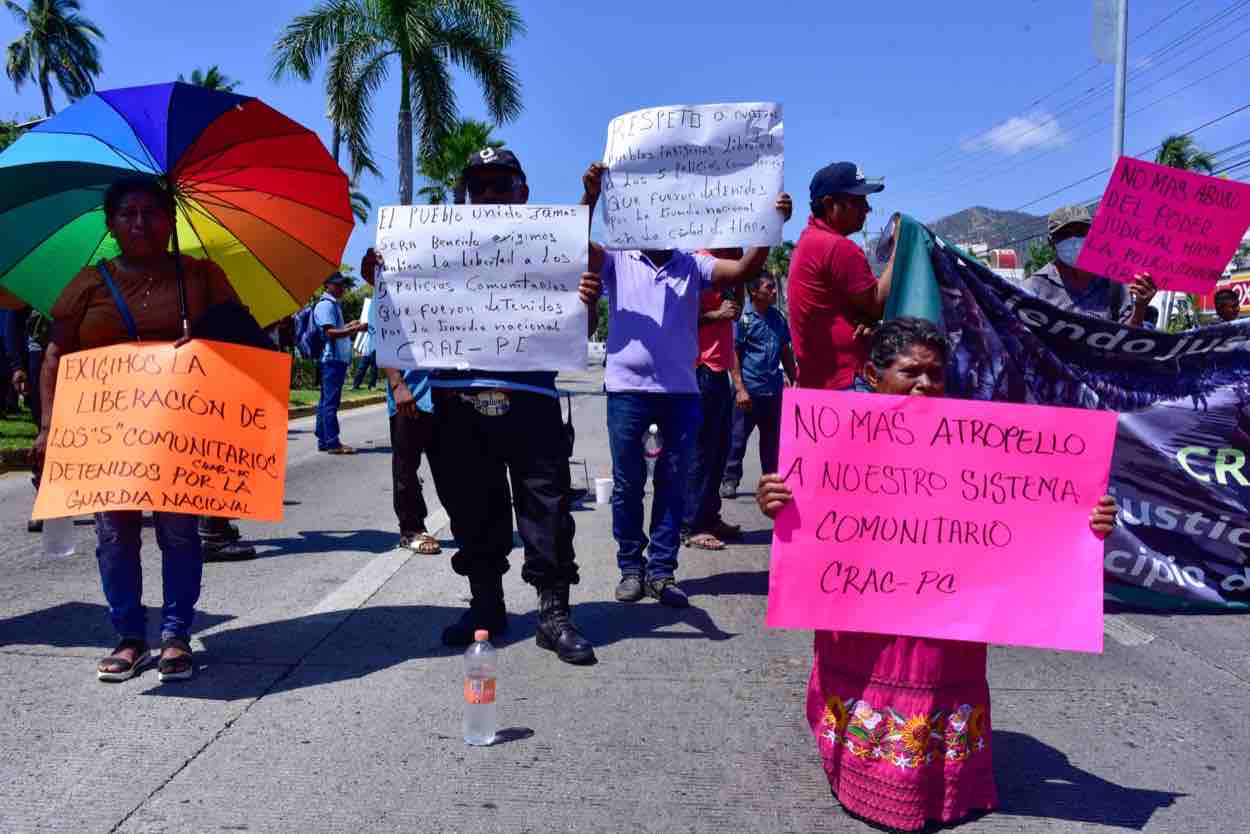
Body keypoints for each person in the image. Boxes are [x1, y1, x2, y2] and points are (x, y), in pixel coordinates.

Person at [755, 317, 1119, 832]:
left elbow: (1034, 513)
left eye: (936, 373)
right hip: (865, 614)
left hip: (944, 614)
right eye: (911, 372)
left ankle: (948, 786)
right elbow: (801, 508)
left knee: (935, 682)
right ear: (872, 375)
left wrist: (1089, 521)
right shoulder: (831, 436)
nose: (926, 384)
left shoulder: (976, 444)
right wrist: (775, 501)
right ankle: (863, 779)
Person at [34, 174, 250, 682]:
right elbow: (55, 355)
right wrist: (48, 426)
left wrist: (205, 339)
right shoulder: (89, 282)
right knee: (114, 534)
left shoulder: (200, 277)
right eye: (127, 213)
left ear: (170, 220)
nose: (139, 222)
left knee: (178, 533)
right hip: (105, 435)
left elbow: (243, 342)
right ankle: (130, 635)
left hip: (181, 431)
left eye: (151, 212)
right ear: (110, 224)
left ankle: (176, 635)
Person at [581, 161, 792, 608]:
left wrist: (770, 224)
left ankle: (662, 571)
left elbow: (742, 270)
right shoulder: (619, 261)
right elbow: (576, 247)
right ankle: (630, 568)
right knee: (628, 485)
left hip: (680, 393)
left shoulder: (693, 265)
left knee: (673, 483)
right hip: (627, 392)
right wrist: (591, 196)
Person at [424, 147, 599, 665]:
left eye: (502, 184)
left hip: (532, 402)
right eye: (480, 187)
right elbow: (410, 316)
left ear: (523, 193)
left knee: (546, 509)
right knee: (473, 511)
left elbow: (577, 336)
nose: (491, 194)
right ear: (468, 198)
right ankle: (485, 605)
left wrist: (585, 304)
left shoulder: (554, 254)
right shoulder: (440, 253)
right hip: (460, 401)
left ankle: (553, 613)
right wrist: (387, 278)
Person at [788, 162, 894, 391]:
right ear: (829, 204)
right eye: (857, 201)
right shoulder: (837, 247)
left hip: (820, 382)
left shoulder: (809, 241)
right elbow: (877, 304)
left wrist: (867, 319)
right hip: (846, 381)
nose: (867, 209)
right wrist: (900, 248)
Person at [364, 248, 441, 556]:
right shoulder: (388, 293)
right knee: (407, 467)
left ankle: (467, 524)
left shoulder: (447, 292)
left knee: (454, 466)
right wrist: (397, 384)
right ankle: (411, 528)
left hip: (447, 393)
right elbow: (377, 337)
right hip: (409, 394)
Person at [682, 249, 747, 551]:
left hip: (721, 369)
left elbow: (737, 309)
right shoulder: (696, 262)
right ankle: (691, 524)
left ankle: (709, 515)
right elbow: (680, 318)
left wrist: (741, 273)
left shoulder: (730, 264)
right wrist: (715, 315)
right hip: (701, 368)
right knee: (700, 451)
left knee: (720, 449)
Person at [721, 272, 796, 497]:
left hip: (773, 393)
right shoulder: (744, 320)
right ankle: (730, 480)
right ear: (754, 292)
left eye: (774, 287)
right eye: (769, 287)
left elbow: (785, 351)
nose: (774, 290)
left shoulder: (779, 319)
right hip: (749, 393)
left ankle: (770, 485)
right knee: (737, 440)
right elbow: (733, 353)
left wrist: (795, 378)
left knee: (772, 444)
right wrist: (740, 389)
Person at [1022, 204, 1156, 325]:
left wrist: (1140, 307)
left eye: (1081, 232)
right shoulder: (1034, 288)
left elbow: (1128, 337)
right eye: (1065, 234)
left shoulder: (1113, 282)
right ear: (1051, 242)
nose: (1074, 240)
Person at [4, 305, 48, 532]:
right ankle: (42, 500)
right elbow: (12, 329)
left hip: (77, 369)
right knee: (45, 438)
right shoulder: (28, 284)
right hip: (37, 372)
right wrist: (17, 367)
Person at [313, 272, 366, 454]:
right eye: (338, 285)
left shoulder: (331, 305)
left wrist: (350, 326)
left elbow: (335, 329)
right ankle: (333, 442)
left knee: (325, 401)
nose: (342, 288)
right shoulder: (326, 305)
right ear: (328, 285)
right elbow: (330, 333)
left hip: (334, 359)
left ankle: (324, 439)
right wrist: (356, 329)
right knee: (330, 402)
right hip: (332, 360)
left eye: (343, 285)